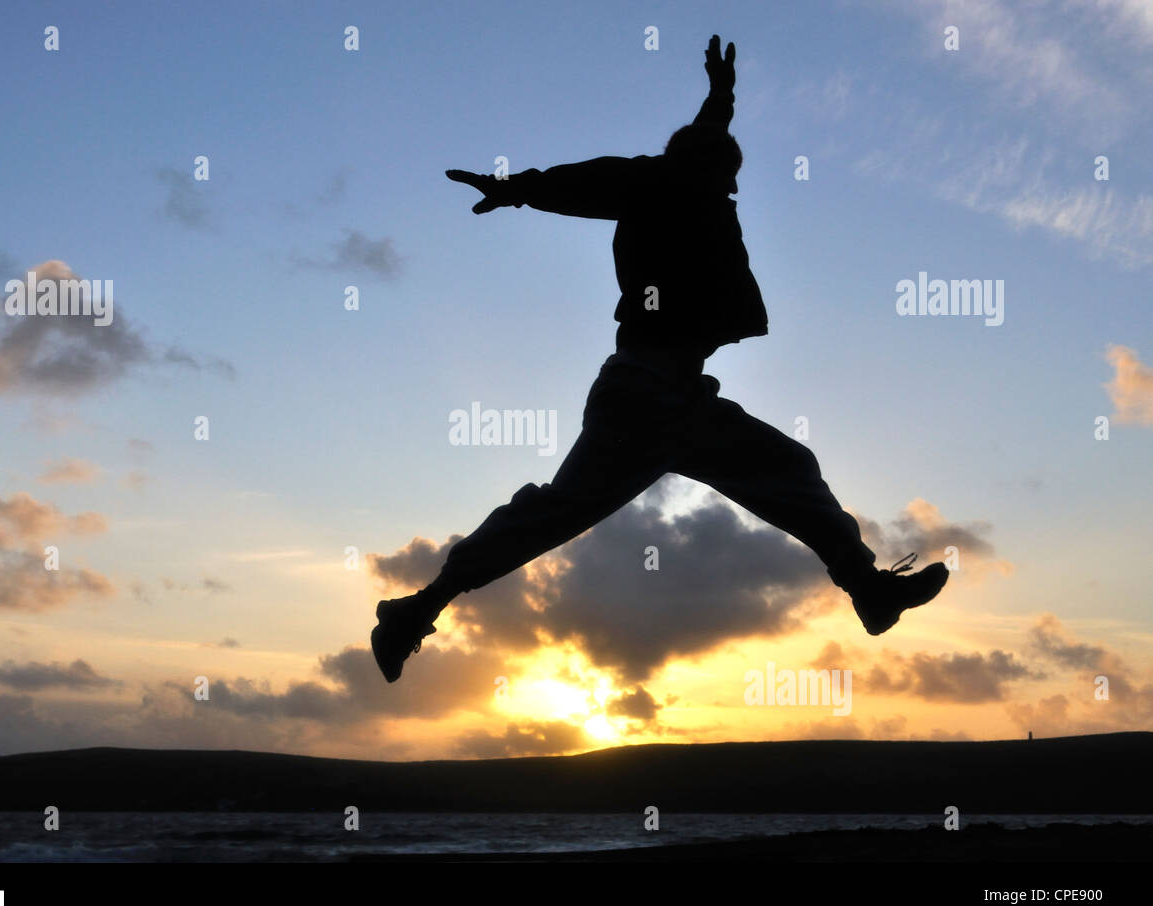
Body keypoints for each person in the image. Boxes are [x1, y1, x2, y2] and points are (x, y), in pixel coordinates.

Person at [372, 35, 948, 683]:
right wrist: (517, 189)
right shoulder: (658, 183)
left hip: (682, 398)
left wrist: (721, 93)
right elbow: (585, 182)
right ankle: (415, 610)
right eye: (725, 178)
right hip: (643, 397)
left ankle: (867, 590)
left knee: (788, 467)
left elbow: (704, 135)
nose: (732, 190)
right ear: (701, 170)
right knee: (551, 513)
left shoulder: (692, 176)